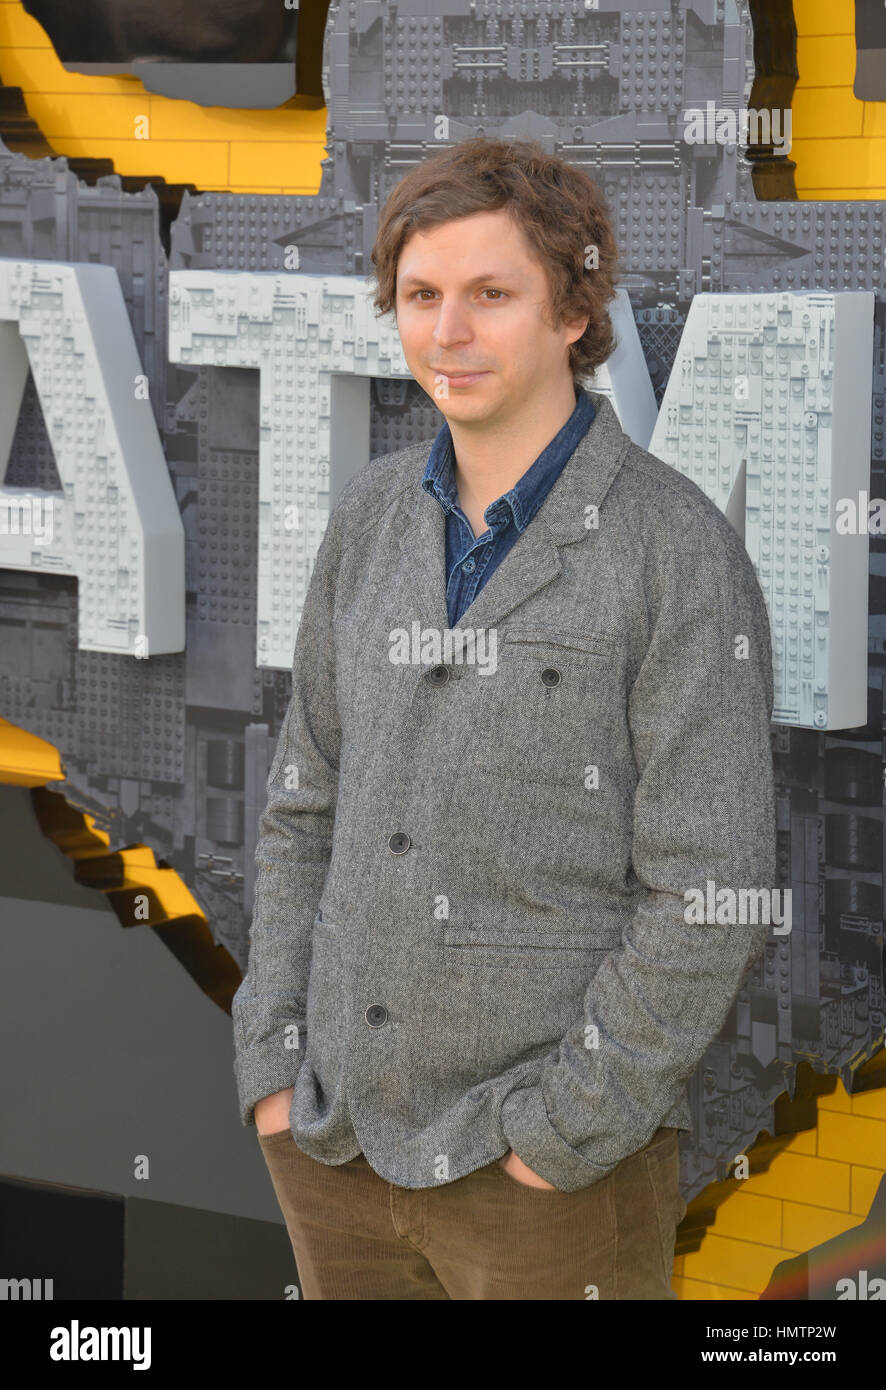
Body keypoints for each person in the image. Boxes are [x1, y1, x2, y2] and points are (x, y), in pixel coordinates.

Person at [232, 136, 777, 1300]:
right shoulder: (369, 518)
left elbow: (708, 887)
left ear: (573, 313)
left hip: (545, 1185)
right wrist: (275, 1067)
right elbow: (303, 804)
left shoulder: (676, 554)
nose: (447, 332)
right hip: (332, 1147)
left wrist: (560, 1137)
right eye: (421, 296)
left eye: (490, 294)